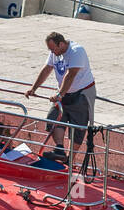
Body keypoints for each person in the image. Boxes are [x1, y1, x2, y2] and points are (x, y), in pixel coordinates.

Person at [24, 32, 96, 165]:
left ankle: (70, 160)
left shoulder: (76, 51)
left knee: (78, 127)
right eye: (50, 50)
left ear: (61, 44)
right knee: (53, 117)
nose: (52, 52)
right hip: (64, 92)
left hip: (82, 92)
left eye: (53, 49)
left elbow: (71, 75)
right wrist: (34, 88)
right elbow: (47, 69)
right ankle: (60, 149)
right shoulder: (55, 53)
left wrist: (59, 95)